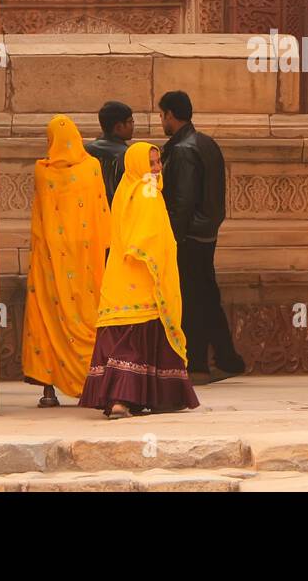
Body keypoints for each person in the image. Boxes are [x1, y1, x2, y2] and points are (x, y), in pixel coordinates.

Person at [79, 142, 200, 418]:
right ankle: (123, 400)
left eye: (158, 163)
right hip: (142, 274)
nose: (156, 169)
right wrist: (147, 254)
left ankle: (123, 399)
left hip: (121, 276)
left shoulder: (126, 188)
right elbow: (147, 232)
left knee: (123, 335)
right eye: (151, 164)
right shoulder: (146, 192)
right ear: (137, 166)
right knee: (134, 338)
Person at [21, 114, 111, 408]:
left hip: (51, 258)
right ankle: (94, 382)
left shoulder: (42, 171)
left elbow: (39, 216)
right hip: (88, 257)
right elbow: (102, 212)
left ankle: (49, 391)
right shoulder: (93, 167)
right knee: (87, 315)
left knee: (49, 318)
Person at [158, 89, 245, 382]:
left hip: (189, 237)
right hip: (207, 233)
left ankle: (196, 365)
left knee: (192, 300)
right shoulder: (206, 143)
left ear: (170, 114)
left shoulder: (183, 150)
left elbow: (182, 202)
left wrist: (172, 238)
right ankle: (228, 359)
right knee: (207, 295)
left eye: (162, 115)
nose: (161, 121)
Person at [85, 100, 134, 203]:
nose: (133, 125)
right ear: (118, 127)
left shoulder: (85, 150)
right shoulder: (127, 154)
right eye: (130, 122)